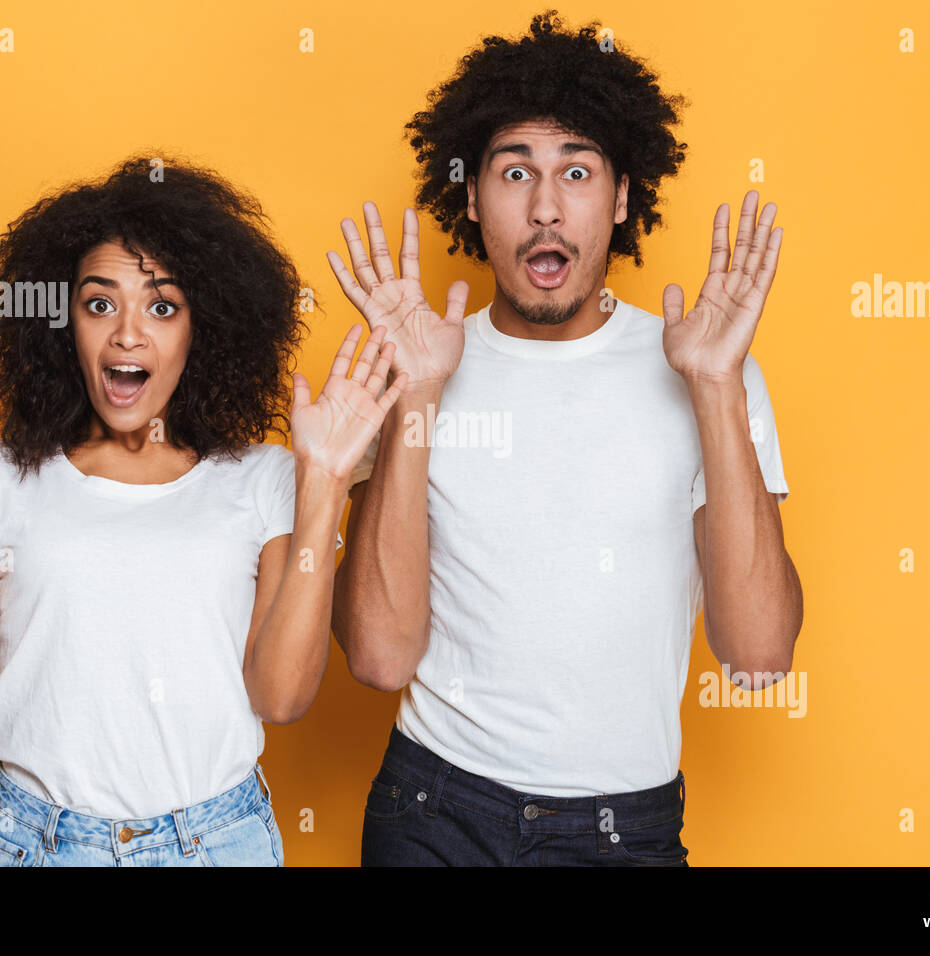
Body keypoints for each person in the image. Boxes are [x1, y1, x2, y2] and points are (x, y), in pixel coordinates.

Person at [0, 156, 407, 866]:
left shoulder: (263, 479)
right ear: (64, 326)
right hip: (41, 844)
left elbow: (280, 697)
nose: (128, 334)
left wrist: (327, 482)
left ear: (202, 329)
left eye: (162, 306)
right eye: (100, 303)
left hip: (220, 844)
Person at [329, 11, 802, 866]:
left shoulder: (710, 369)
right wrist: (418, 397)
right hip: (435, 808)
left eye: (576, 172)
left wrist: (718, 390)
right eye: (516, 173)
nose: (545, 208)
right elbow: (377, 655)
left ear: (621, 198)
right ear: (472, 197)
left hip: (628, 831)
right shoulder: (416, 364)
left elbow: (761, 652)